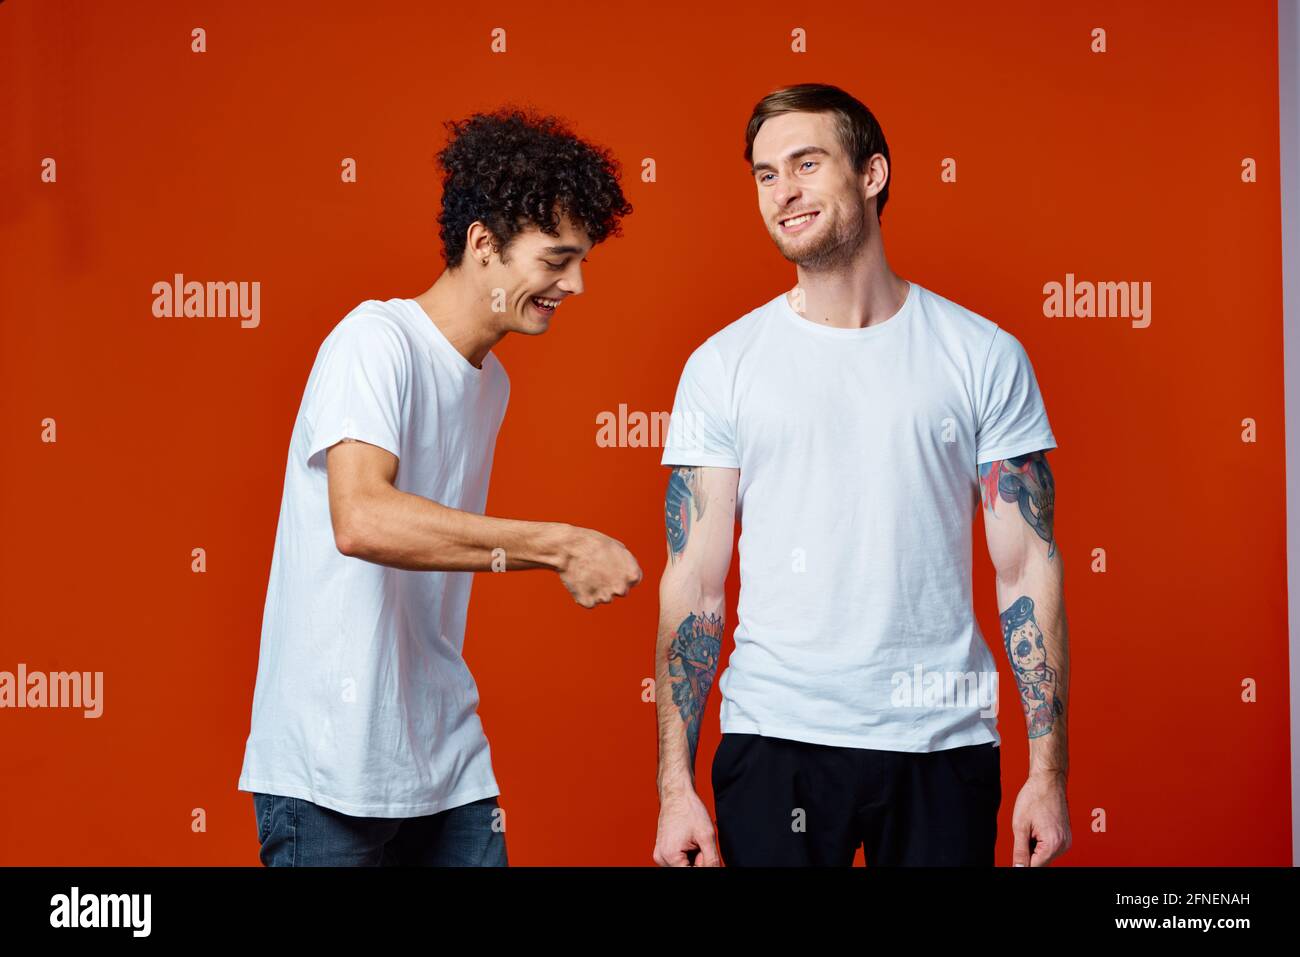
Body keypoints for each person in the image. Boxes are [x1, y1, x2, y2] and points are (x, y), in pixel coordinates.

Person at [652, 83, 1071, 867]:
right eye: (766, 174)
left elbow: (1027, 569)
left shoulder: (983, 355)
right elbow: (695, 585)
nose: (784, 191)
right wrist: (675, 786)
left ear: (872, 174)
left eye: (806, 164)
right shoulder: (722, 366)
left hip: (942, 738)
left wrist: (1047, 774)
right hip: (775, 740)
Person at [238, 107, 642, 866]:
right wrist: (558, 545)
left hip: (442, 754)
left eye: (582, 260)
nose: (576, 283)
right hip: (332, 764)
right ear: (483, 243)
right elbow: (362, 518)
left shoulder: (492, 384)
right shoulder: (374, 341)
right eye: (557, 260)